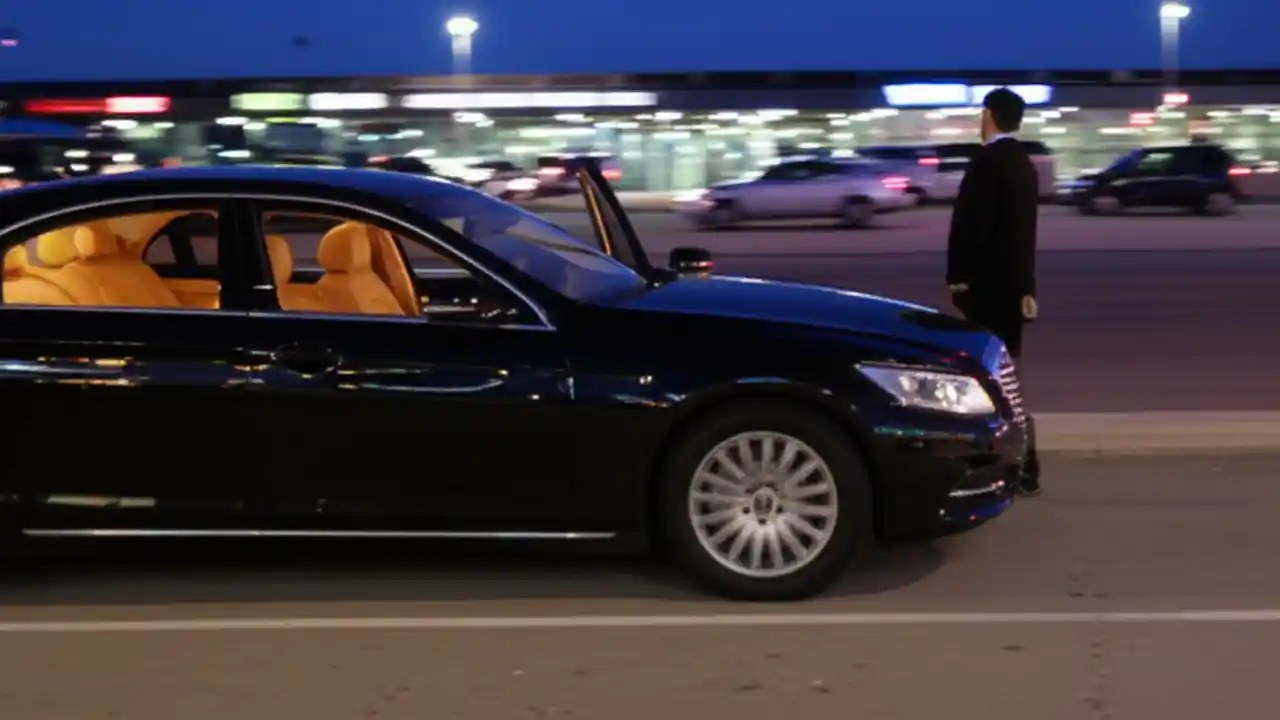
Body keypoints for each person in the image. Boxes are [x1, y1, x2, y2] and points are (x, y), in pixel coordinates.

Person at [945, 87, 1042, 496]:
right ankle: (1027, 464)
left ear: (989, 115)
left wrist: (959, 278)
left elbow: (971, 227)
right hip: (1014, 291)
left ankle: (1009, 464)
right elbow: (1024, 236)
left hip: (985, 290)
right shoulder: (1024, 165)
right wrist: (1026, 288)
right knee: (1008, 377)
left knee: (987, 382)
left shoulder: (985, 164)